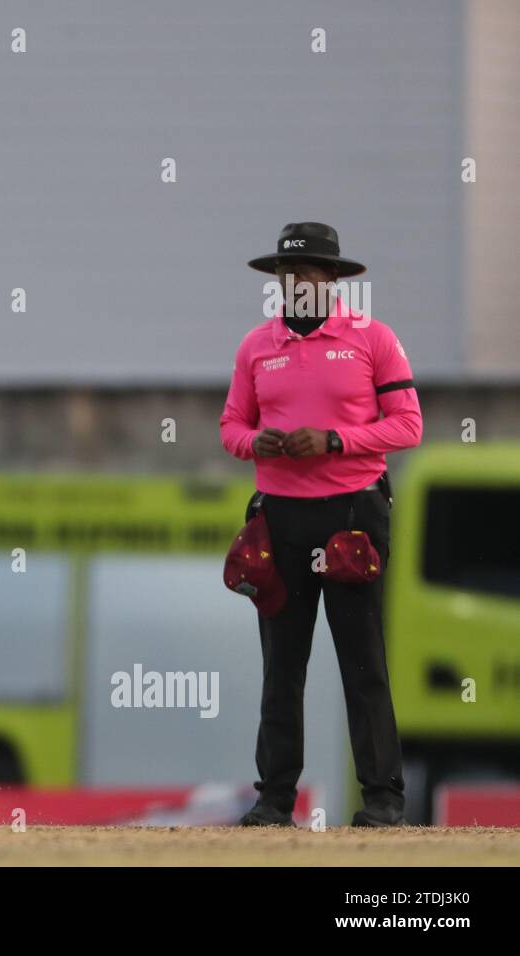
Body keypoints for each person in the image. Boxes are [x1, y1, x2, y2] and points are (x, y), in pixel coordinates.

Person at [220, 222, 422, 827]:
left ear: (333, 280)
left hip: (353, 515)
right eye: (288, 272)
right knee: (283, 665)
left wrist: (335, 439)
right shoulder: (257, 346)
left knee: (362, 662)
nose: (297, 281)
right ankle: (274, 799)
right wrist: (263, 442)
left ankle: (382, 799)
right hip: (280, 517)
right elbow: (231, 430)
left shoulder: (373, 339)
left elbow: (408, 426)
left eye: (309, 271)